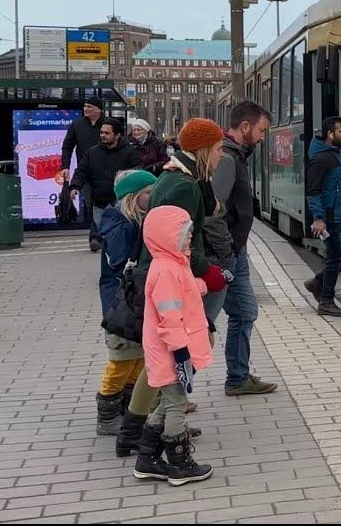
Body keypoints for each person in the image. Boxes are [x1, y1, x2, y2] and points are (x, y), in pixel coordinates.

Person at [115, 118, 231, 458]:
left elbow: (206, 213)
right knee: (184, 349)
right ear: (205, 149)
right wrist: (206, 271)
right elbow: (181, 238)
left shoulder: (178, 176)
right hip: (172, 278)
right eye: (220, 149)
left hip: (165, 273)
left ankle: (145, 426)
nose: (223, 155)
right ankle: (148, 426)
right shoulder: (183, 185)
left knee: (164, 358)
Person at [132, 204, 215, 486]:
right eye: (184, 232)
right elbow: (170, 317)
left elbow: (184, 293)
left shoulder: (171, 264)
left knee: (167, 403)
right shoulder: (167, 270)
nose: (190, 236)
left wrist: (204, 285)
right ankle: (179, 463)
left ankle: (147, 459)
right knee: (177, 403)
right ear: (167, 236)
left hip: (168, 348)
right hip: (171, 350)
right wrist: (181, 352)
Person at [202, 100, 277, 396]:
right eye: (260, 130)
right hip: (222, 255)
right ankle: (168, 395)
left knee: (245, 311)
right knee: (201, 325)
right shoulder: (228, 159)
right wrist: (225, 252)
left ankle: (237, 378)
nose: (262, 137)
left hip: (236, 252)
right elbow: (212, 212)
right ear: (244, 127)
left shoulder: (236, 155)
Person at [94, 169, 156, 436]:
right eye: (149, 194)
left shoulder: (132, 222)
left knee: (137, 359)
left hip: (132, 301)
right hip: (122, 304)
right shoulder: (122, 227)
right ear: (134, 197)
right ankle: (107, 416)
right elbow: (122, 266)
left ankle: (125, 410)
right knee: (121, 360)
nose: (154, 198)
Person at [302, 117, 341, 318]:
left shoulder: (339, 156)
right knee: (336, 257)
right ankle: (326, 301)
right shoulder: (320, 159)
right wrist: (318, 218)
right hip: (331, 217)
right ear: (330, 134)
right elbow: (313, 191)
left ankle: (317, 282)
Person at [70, 117, 142, 231]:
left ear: (117, 135)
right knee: (102, 232)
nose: (103, 135)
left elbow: (137, 174)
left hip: (122, 201)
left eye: (107, 133)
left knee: (121, 233)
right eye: (101, 132)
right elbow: (81, 170)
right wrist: (75, 186)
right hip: (100, 202)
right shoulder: (92, 152)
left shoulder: (130, 152)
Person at [60, 96, 104, 251]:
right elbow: (67, 146)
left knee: (104, 203)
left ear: (99, 109)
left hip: (106, 172)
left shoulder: (108, 125)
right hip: (85, 171)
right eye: (85, 106)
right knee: (91, 204)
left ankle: (100, 235)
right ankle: (95, 236)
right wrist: (65, 166)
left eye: (90, 107)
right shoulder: (77, 125)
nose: (86, 109)